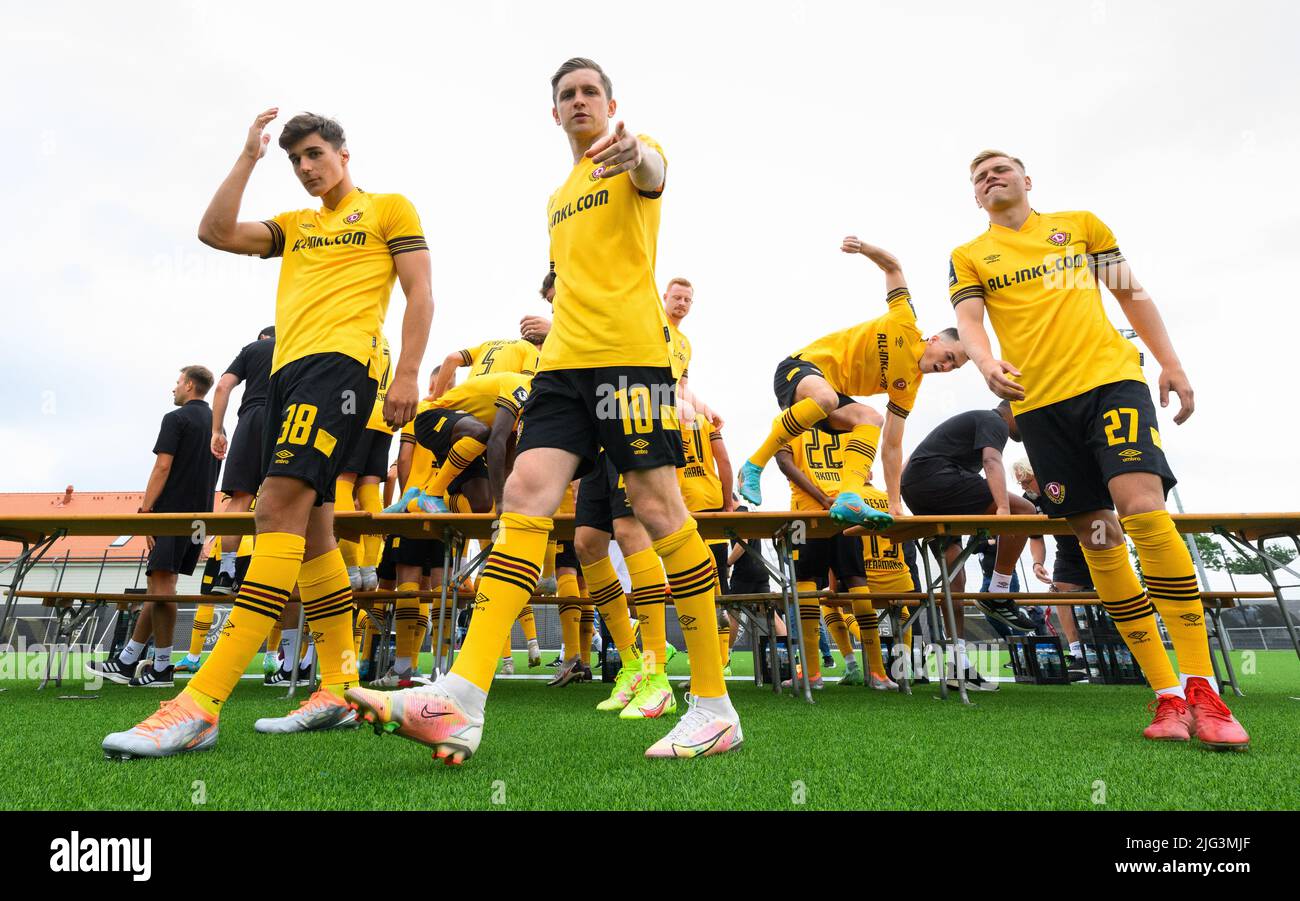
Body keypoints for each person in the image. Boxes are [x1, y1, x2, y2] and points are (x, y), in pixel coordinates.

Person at [347, 58, 740, 763]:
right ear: (552, 113)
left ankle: (713, 705)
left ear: (611, 104)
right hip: (561, 368)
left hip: (632, 360)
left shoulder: (632, 156)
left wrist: (638, 152)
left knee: (657, 507)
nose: (580, 100)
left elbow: (652, 169)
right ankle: (461, 699)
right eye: (567, 95)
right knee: (524, 498)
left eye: (591, 91)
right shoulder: (556, 197)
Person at [102, 109, 432, 758]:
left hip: (342, 368)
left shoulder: (388, 209)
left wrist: (411, 373)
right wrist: (249, 157)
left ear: (342, 152)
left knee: (273, 509)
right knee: (313, 528)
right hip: (285, 376)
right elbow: (214, 231)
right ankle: (338, 685)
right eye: (295, 160)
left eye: (315, 154)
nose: (307, 168)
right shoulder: (296, 226)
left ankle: (199, 703)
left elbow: (421, 291)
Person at [951, 149, 1247, 747]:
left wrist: (1171, 364)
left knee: (1141, 508)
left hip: (1111, 384)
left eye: (1001, 169)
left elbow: (1132, 296)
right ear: (975, 198)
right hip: (1039, 408)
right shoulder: (969, 256)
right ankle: (1166, 695)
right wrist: (984, 362)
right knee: (1097, 535)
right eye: (979, 177)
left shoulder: (1081, 226)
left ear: (1027, 180)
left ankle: (1204, 692)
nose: (991, 177)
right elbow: (972, 321)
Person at [738, 237, 967, 529]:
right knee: (827, 398)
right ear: (934, 339)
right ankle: (754, 464)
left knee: (870, 418)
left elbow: (893, 447)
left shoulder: (908, 387)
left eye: (953, 367)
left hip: (828, 398)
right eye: (948, 357)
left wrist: (895, 503)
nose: (945, 367)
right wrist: (865, 249)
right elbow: (893, 267)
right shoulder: (904, 321)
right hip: (799, 370)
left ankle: (849, 495)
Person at [88, 366, 220, 690]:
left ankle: (161, 668)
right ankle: (127, 660)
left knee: (162, 587)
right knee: (160, 586)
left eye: (176, 382)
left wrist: (146, 512)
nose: (172, 388)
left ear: (189, 385)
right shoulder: (217, 425)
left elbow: (162, 465)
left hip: (172, 515)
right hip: (198, 518)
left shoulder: (175, 419)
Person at [900, 402, 1039, 633]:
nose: (1029, 429)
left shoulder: (969, 426)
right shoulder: (995, 420)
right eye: (1026, 418)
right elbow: (991, 461)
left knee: (955, 576)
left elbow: (914, 458)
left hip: (918, 490)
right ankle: (998, 593)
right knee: (1024, 510)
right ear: (1014, 410)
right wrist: (1003, 509)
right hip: (937, 479)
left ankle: (958, 656)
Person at [775, 426, 896, 689]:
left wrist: (820, 497)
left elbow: (783, 461)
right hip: (845, 508)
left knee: (805, 581)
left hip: (804, 513)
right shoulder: (844, 423)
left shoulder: (789, 420)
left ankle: (812, 673)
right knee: (856, 580)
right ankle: (877, 672)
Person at [209, 325, 275, 594]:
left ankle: (225, 572)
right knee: (276, 499)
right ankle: (264, 573)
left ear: (262, 337)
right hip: (286, 418)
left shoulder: (252, 349)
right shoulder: (298, 345)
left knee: (240, 498)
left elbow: (223, 386)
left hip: (251, 419)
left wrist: (217, 430)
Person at [1014, 458, 1089, 673]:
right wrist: (1038, 563)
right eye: (1021, 484)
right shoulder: (1028, 502)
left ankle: (1129, 648)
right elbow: (1035, 535)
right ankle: (1078, 654)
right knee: (1059, 595)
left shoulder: (1063, 484)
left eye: (1027, 482)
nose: (1024, 488)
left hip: (1095, 544)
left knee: (1115, 596)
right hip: (1067, 553)